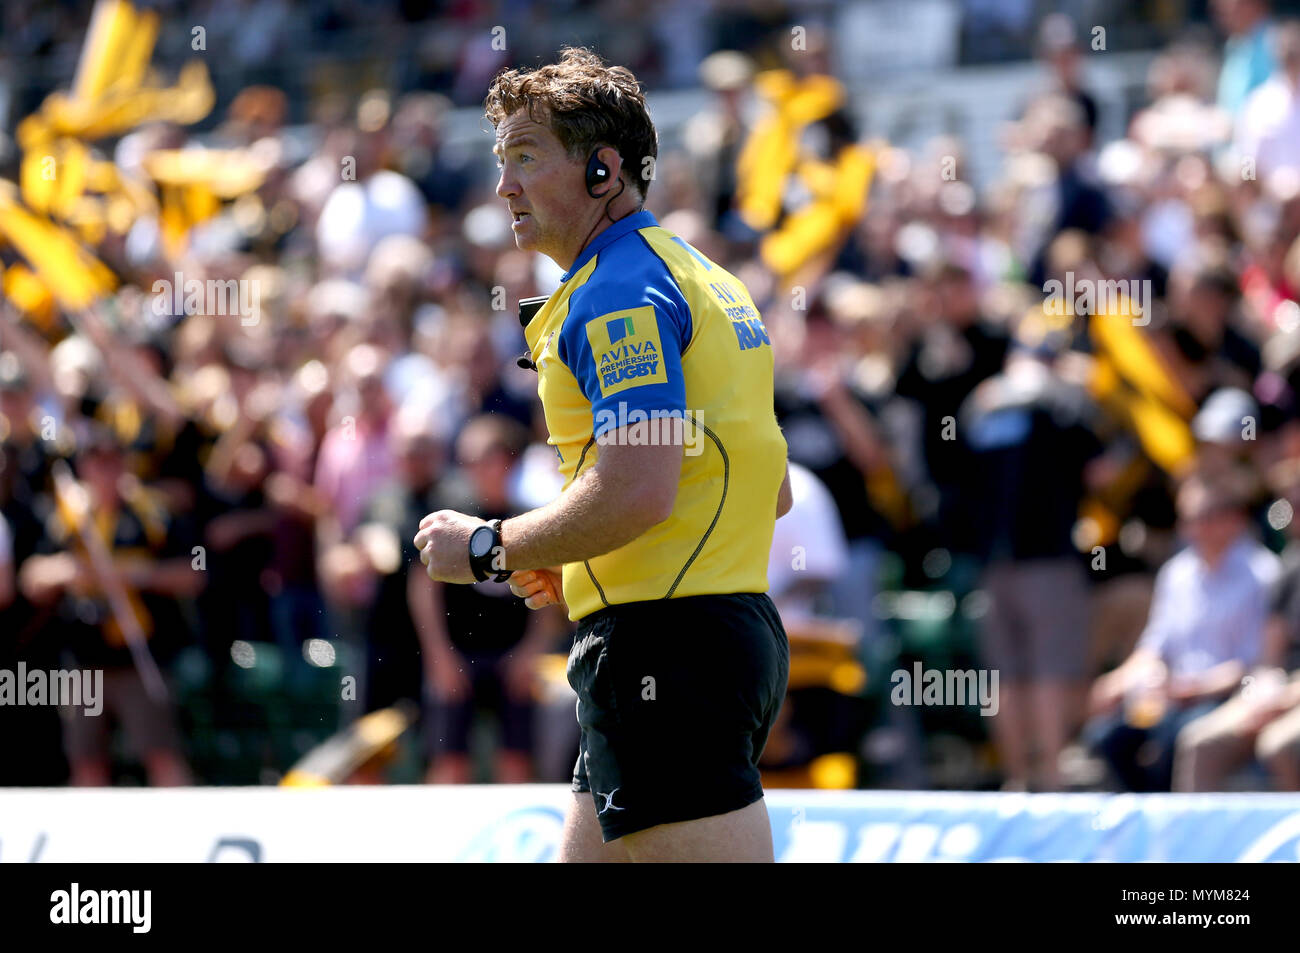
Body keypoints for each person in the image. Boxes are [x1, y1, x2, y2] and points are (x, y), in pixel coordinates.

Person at [415, 48, 792, 862]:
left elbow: (640, 489)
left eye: (526, 157)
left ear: (602, 169)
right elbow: (769, 488)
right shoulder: (704, 277)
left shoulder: (619, 290)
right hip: (700, 635)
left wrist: (489, 547)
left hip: (667, 645)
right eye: (500, 161)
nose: (504, 186)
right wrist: (576, 551)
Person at [1084, 472, 1279, 791]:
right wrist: (1120, 681)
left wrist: (1193, 689)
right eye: (1188, 519)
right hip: (1172, 697)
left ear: (1235, 520)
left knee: (1176, 737)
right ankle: (1145, 825)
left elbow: (1254, 664)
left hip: (1227, 697)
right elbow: (1154, 646)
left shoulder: (1262, 574)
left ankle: (1170, 830)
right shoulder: (1176, 573)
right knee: (1107, 737)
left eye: (1205, 518)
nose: (1194, 529)